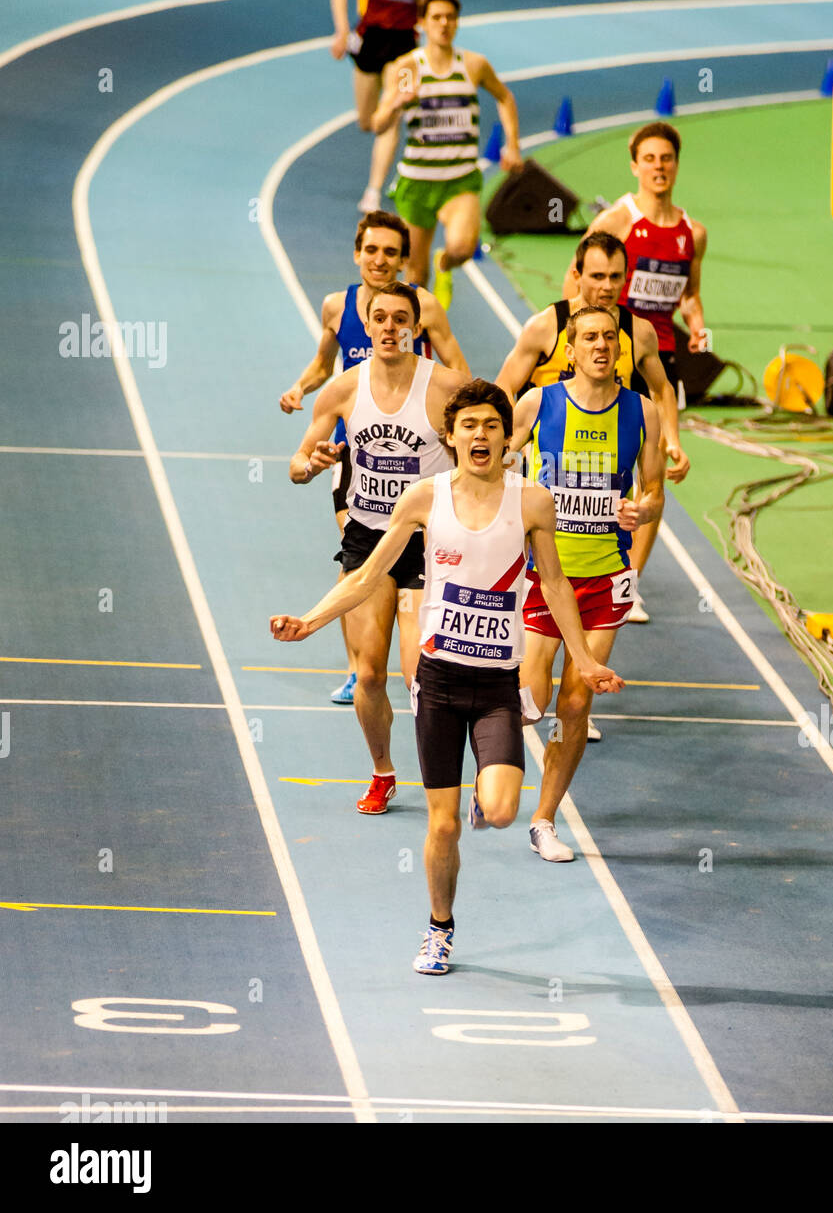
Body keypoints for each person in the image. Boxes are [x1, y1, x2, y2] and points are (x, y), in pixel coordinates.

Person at [271, 379, 624, 975]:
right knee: (443, 823)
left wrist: (585, 661)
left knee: (504, 811)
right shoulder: (424, 498)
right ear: (451, 436)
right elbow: (365, 576)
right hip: (436, 682)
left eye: (491, 425)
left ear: (505, 435)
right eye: (469, 426)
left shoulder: (533, 501)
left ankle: (489, 799)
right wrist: (308, 622)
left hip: (494, 689)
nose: (480, 435)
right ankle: (440, 929)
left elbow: (556, 584)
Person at [496, 228, 689, 742]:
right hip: (547, 506)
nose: (605, 287)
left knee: (574, 699)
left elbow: (662, 392)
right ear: (577, 276)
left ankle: (577, 711)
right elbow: (503, 389)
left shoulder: (638, 337)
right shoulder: (546, 328)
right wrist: (490, 451)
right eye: (596, 276)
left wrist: (670, 442)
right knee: (530, 689)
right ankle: (512, 731)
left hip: (604, 528)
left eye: (615, 278)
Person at [287, 281, 469, 815]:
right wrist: (312, 465)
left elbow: (491, 442)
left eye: (400, 319)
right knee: (369, 674)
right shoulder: (343, 390)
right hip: (367, 540)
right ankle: (383, 773)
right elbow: (297, 464)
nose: (390, 327)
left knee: (419, 674)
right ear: (365, 326)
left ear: (417, 327)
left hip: (425, 541)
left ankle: (448, 776)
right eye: (380, 318)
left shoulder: (447, 390)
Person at [279, 211, 469, 704]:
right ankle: (359, 667)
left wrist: (457, 426)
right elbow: (324, 365)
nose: (380, 259)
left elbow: (462, 373)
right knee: (358, 553)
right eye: (371, 249)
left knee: (414, 653)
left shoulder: (421, 306)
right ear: (357, 253)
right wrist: (301, 389)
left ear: (404, 259)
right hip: (352, 451)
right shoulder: (336, 308)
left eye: (390, 251)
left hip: (421, 450)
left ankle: (408, 664)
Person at [510, 308, 664, 862]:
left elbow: (654, 492)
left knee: (577, 704)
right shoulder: (538, 404)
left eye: (609, 338)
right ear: (570, 350)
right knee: (533, 697)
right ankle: (495, 773)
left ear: (620, 349)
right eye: (588, 338)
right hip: (545, 574)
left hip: (606, 577)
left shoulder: (642, 413)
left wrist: (640, 513)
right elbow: (500, 463)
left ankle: (544, 820)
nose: (600, 346)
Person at [562, 122, 708, 622]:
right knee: (597, 467)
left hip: (658, 357)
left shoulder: (693, 234)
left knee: (652, 479)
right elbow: (577, 275)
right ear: (634, 165)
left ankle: (628, 584)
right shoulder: (618, 219)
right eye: (649, 158)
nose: (659, 166)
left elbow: (689, 294)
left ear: (677, 163)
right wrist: (573, 331)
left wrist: (699, 324)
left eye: (666, 157)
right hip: (608, 350)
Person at [372, 0, 522, 310]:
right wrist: (398, 102)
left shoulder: (473, 65)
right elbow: (379, 124)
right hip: (417, 182)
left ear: (457, 23)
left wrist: (512, 145)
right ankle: (414, 339)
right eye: (436, 18)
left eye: (450, 18)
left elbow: (505, 97)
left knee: (463, 247)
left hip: (460, 179)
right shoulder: (406, 68)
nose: (444, 24)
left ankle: (447, 264)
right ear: (422, 23)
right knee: (415, 273)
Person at [329, 0, 440, 213]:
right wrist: (341, 30)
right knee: (368, 120)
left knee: (393, 112)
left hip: (404, 45)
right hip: (370, 39)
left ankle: (374, 191)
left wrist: (433, 34)